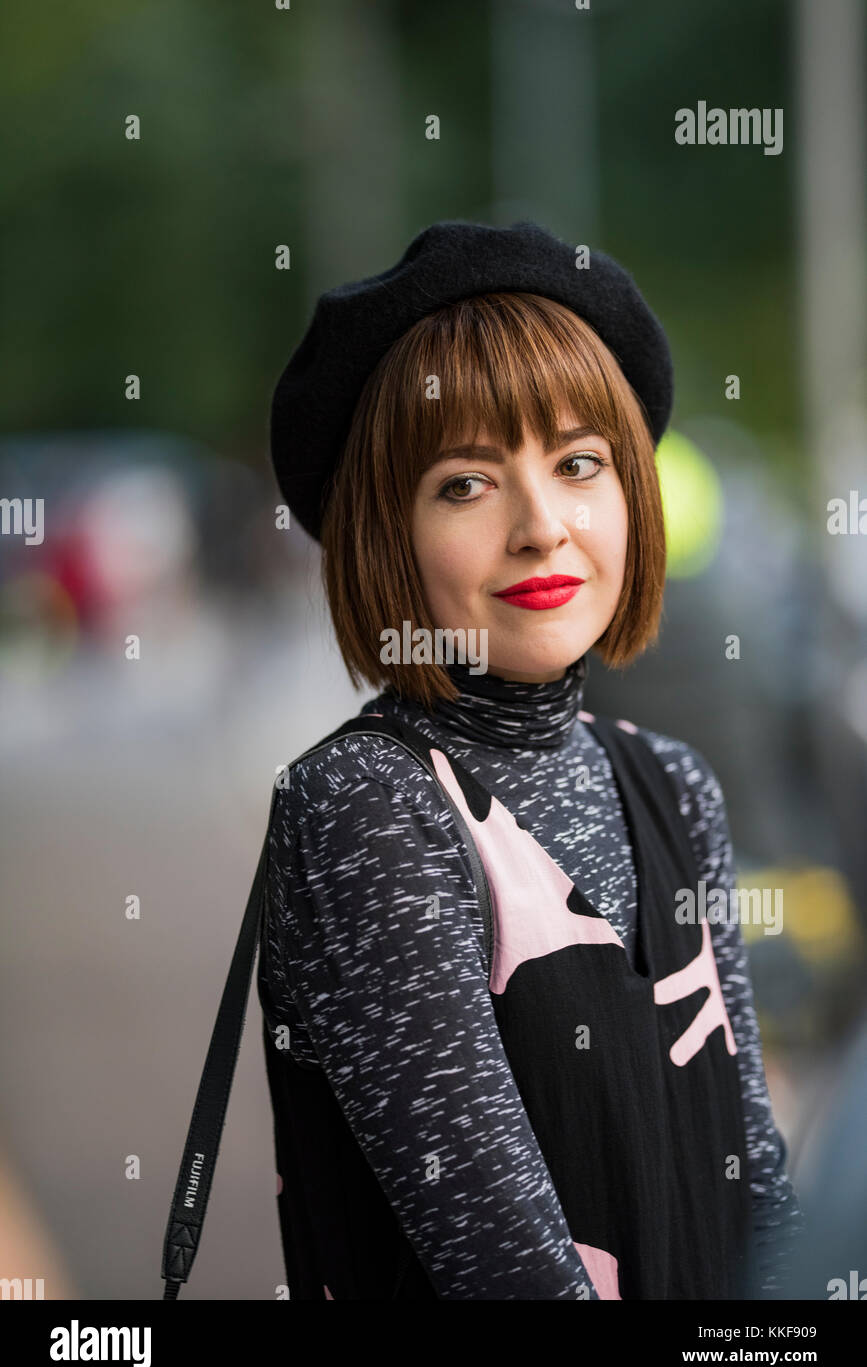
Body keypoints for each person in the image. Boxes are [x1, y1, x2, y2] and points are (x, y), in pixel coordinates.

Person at [257, 219, 804, 1300]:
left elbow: (757, 1186)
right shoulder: (368, 804)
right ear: (387, 533)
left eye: (579, 464)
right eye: (466, 483)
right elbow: (501, 1263)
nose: (542, 524)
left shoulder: (672, 783)